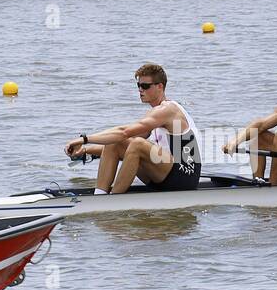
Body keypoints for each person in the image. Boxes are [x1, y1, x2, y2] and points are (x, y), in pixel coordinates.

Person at [65, 63, 202, 194]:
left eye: (145, 86)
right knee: (115, 142)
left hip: (185, 177)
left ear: (160, 86)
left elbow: (124, 132)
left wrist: (84, 139)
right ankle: (99, 196)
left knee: (137, 143)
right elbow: (122, 145)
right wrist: (85, 150)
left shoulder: (168, 110)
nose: (140, 90)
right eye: (138, 85)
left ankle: (112, 201)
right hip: (164, 174)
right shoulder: (154, 113)